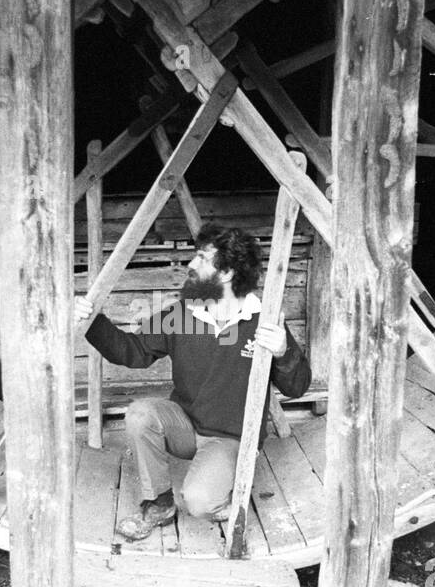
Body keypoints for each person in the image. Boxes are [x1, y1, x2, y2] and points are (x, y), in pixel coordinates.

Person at [75, 223, 311, 540]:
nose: (191, 264)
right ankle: (159, 505)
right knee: (141, 414)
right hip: (185, 425)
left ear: (226, 273)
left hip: (230, 437)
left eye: (201, 258)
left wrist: (283, 351)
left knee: (199, 503)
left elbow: (297, 387)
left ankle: (221, 493)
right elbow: (132, 352)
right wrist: (92, 321)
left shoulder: (262, 320)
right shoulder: (184, 315)